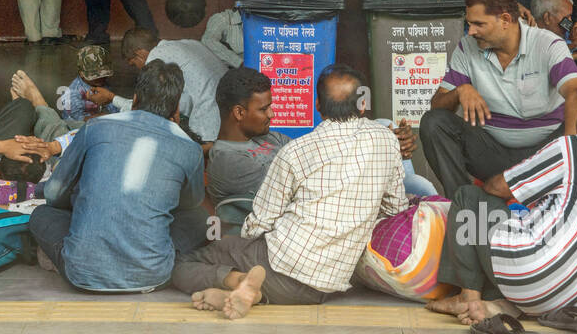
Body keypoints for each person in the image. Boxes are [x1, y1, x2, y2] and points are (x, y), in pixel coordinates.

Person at [172, 65, 404, 318]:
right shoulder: (385, 138)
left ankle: (240, 281)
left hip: (284, 262)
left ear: (317, 105)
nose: (272, 114)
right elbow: (395, 209)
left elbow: (258, 226)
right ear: (361, 105)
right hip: (333, 280)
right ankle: (252, 291)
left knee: (181, 264)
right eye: (264, 108)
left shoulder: (294, 151)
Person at [428, 79, 577, 328]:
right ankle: (503, 304)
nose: (576, 118)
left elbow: (498, 187)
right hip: (575, 301)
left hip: (531, 280)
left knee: (469, 198)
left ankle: (467, 295)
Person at [29, 60, 206, 292]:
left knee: (41, 214)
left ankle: (64, 254)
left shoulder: (96, 127)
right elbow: (190, 204)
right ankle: (161, 257)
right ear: (176, 111)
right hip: (153, 274)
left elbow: (53, 194)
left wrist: (86, 205)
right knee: (198, 218)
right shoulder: (190, 148)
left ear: (134, 100)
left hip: (82, 272)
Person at [417, 0, 577, 198]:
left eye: (479, 24)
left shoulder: (547, 44)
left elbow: (575, 93)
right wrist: (460, 91)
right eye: (469, 24)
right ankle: (464, 202)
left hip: (544, 153)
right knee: (434, 122)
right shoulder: (467, 48)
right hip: (492, 154)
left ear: (505, 20)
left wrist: (569, 151)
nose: (471, 31)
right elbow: (436, 106)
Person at [87, 27, 227, 143]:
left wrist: (112, 101)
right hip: (230, 116)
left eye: (134, 64)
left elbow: (152, 110)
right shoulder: (188, 43)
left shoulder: (157, 59)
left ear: (140, 54)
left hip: (210, 127)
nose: (138, 70)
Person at [206, 66, 289, 210]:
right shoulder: (227, 161)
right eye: (263, 109)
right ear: (239, 112)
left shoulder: (271, 137)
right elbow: (298, 187)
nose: (272, 114)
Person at [57, 44, 118, 123]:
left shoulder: (102, 84)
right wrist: (105, 117)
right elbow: (77, 120)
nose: (100, 78)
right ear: (82, 74)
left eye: (103, 75)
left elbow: (114, 108)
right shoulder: (72, 93)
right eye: (95, 75)